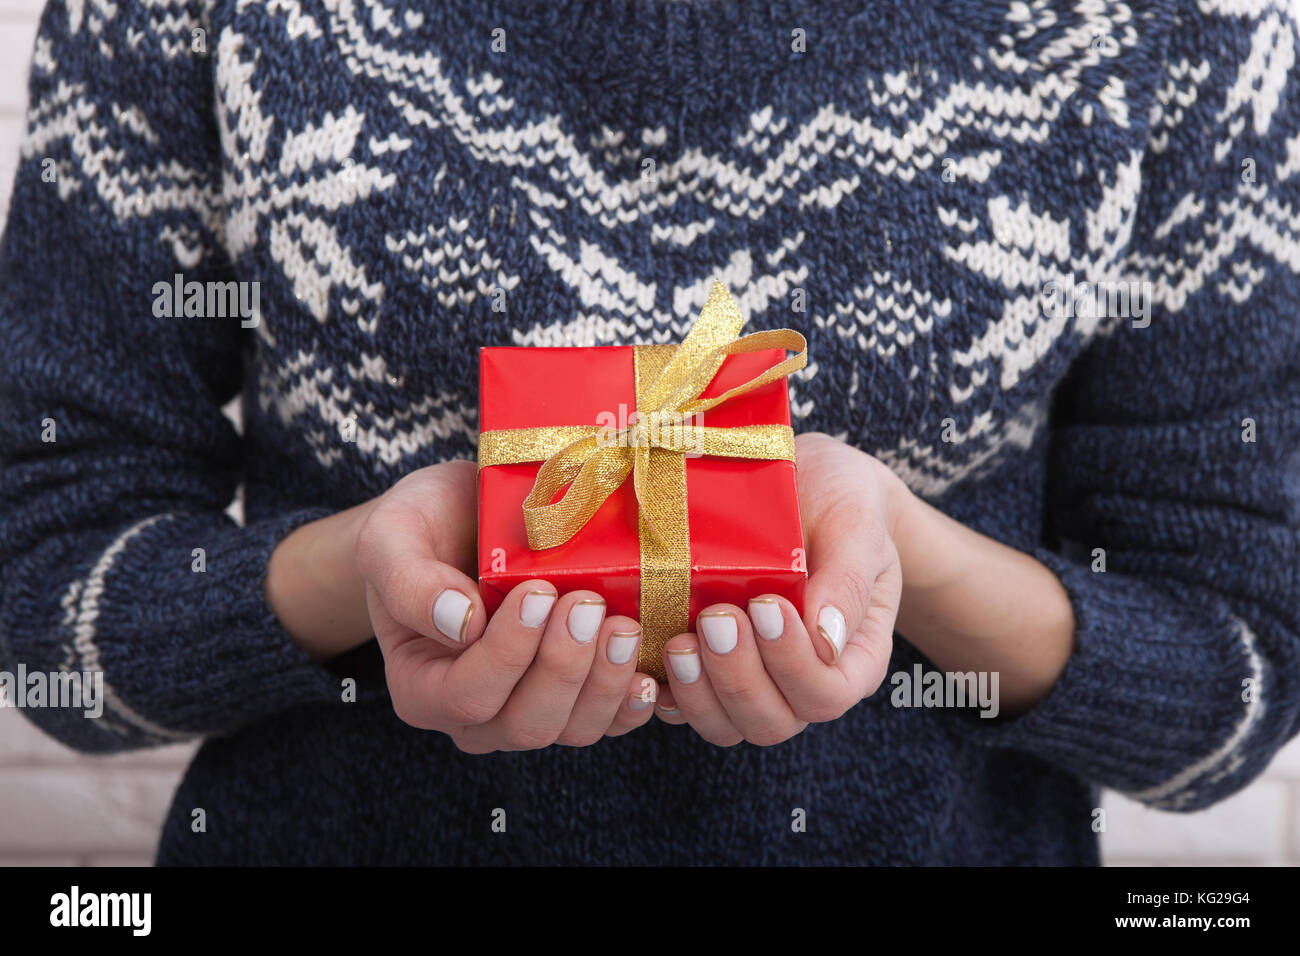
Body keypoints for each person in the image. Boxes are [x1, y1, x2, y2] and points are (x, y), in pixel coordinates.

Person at [0, 0, 1296, 865]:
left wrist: (908, 557)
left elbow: (1229, 691)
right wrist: (357, 571)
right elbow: (47, 593)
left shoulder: (1180, 29)